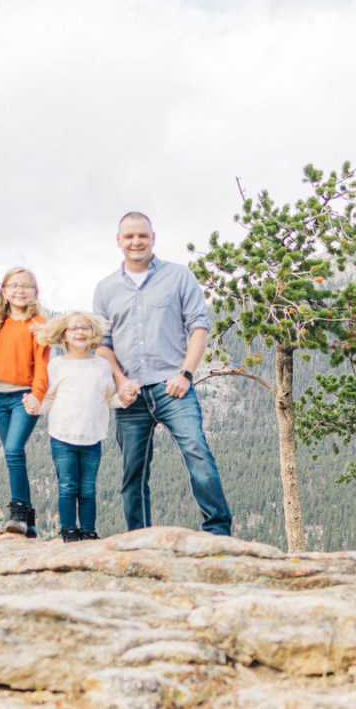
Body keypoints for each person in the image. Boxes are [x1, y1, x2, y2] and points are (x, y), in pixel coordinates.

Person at [93, 211, 232, 536]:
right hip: (131, 394)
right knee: (132, 472)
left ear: (153, 238)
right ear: (118, 241)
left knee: (197, 452)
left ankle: (218, 530)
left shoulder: (178, 276)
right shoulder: (106, 289)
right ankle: (139, 536)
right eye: (128, 236)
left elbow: (198, 326)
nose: (136, 241)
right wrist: (120, 380)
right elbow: (103, 344)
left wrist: (185, 373)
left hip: (174, 388)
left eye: (142, 235)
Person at [35, 312, 119, 541]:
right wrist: (36, 407)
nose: (80, 332)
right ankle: (69, 529)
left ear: (93, 333)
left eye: (85, 327)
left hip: (92, 436)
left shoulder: (101, 366)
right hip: (62, 435)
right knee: (68, 485)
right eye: (73, 328)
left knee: (88, 488)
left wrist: (126, 399)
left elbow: (109, 397)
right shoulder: (57, 366)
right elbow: (49, 398)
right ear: (64, 334)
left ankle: (89, 530)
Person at [0, 266, 51, 538]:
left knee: (14, 449)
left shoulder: (38, 324)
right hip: (0, 397)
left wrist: (38, 396)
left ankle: (17, 511)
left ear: (35, 292)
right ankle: (29, 519)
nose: (20, 290)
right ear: (4, 292)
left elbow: (42, 365)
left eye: (26, 286)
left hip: (24, 396)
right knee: (12, 455)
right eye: (14, 286)